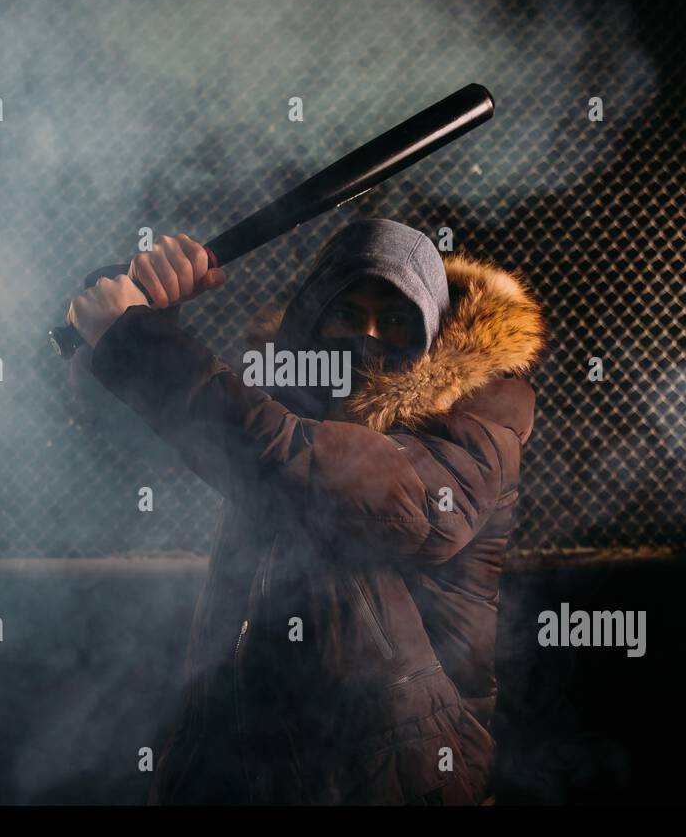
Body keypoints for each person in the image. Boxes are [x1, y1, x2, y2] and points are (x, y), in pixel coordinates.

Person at [67, 218, 545, 804]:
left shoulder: (476, 425)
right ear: (310, 324)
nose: (365, 339)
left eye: (395, 320)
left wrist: (137, 341)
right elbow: (129, 437)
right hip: (237, 767)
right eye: (346, 315)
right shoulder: (271, 413)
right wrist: (130, 308)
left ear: (430, 333)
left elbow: (365, 490)